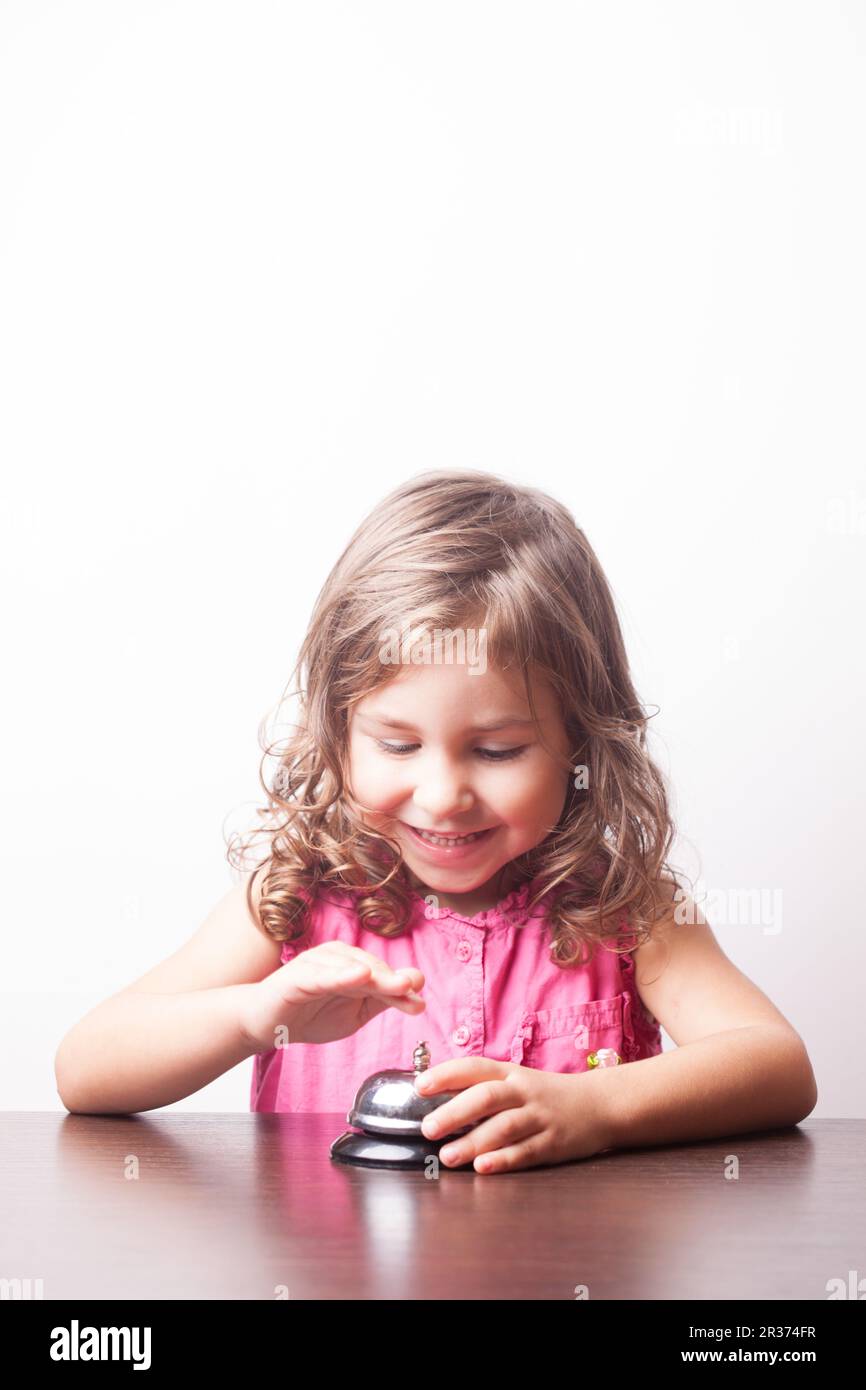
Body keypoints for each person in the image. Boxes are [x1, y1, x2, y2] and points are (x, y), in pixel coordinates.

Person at [55, 469, 817, 1173]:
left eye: (497, 750)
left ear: (581, 742)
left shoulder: (625, 911)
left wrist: (597, 1109)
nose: (444, 794)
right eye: (398, 744)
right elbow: (86, 1068)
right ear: (339, 734)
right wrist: (256, 1015)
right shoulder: (297, 901)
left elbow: (778, 1065)